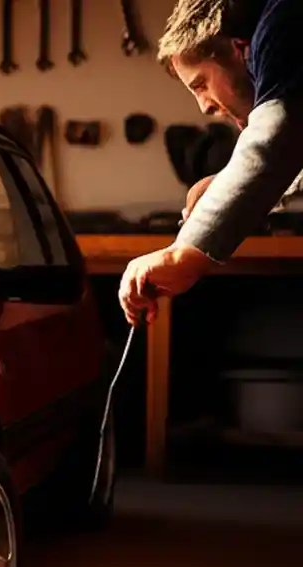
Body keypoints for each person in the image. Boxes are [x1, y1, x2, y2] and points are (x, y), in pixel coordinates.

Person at [118, 0, 303, 325]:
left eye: (201, 84)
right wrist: (224, 186)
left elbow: (274, 136)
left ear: (239, 50)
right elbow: (288, 150)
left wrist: (185, 251)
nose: (204, 107)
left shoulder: (279, 22)